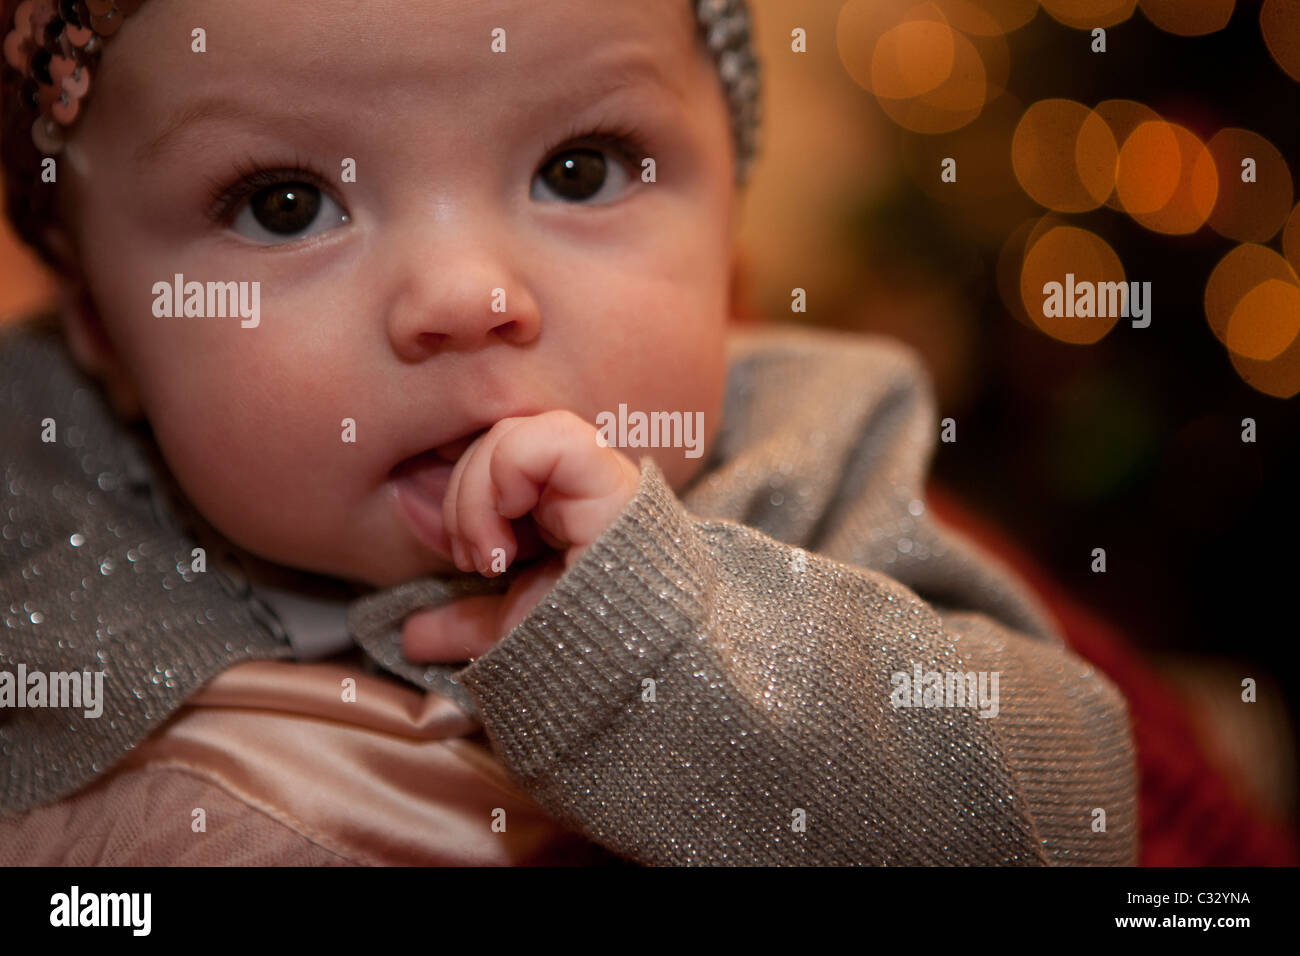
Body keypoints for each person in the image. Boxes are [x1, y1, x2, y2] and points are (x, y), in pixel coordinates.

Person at [0, 0, 1136, 865]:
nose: (467, 294)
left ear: (728, 236)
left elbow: (1077, 800)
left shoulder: (805, 449)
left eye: (577, 170)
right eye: (284, 205)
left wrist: (667, 640)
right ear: (102, 324)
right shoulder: (37, 496)